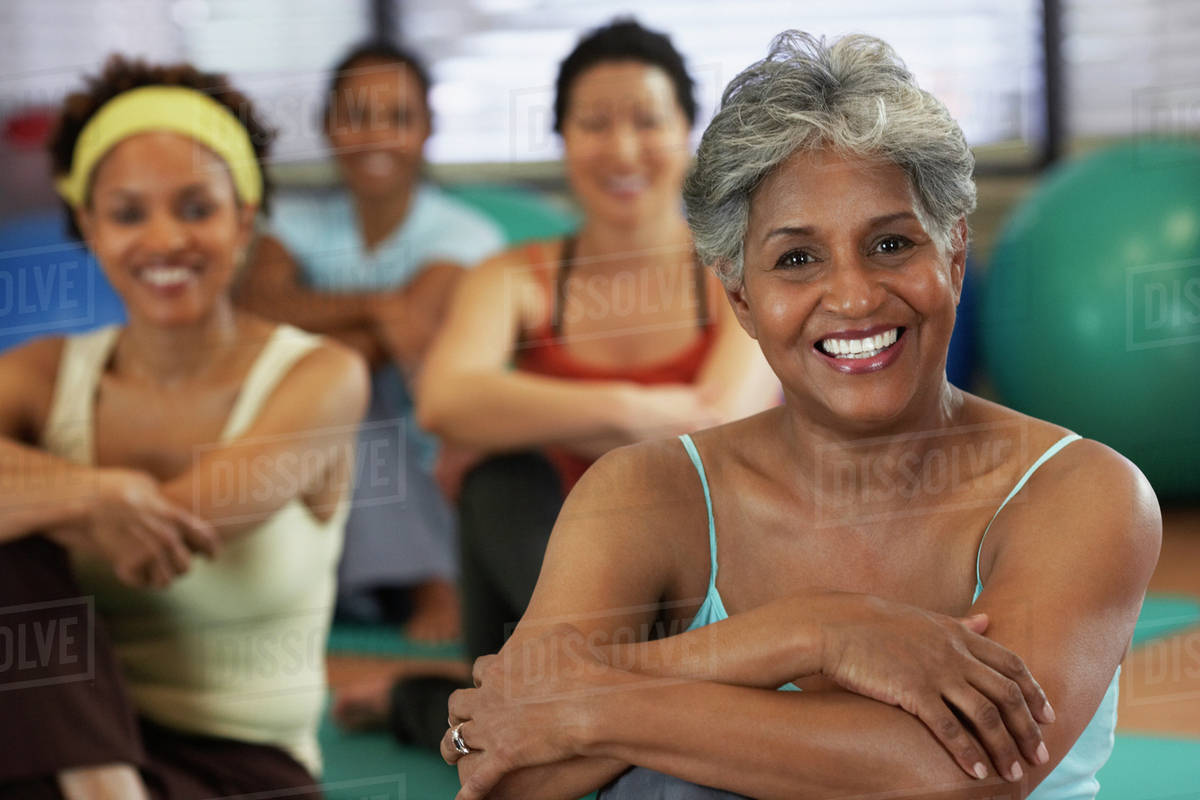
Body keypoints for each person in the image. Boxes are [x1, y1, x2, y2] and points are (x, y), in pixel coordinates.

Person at [439, 32, 1162, 800]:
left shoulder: (1086, 493)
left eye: (891, 243)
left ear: (953, 256)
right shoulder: (645, 493)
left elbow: (964, 774)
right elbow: (509, 774)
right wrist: (808, 634)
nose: (852, 297)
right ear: (742, 296)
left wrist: (593, 702)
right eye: (796, 259)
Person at [330, 18, 780, 748]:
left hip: (699, 588)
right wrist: (634, 406)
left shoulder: (741, 270)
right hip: (535, 585)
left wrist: (532, 411)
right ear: (563, 139)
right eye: (594, 123)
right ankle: (605, 697)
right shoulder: (514, 277)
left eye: (647, 121)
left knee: (545, 715)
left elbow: (719, 421)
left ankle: (454, 706)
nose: (623, 148)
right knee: (499, 479)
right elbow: (447, 401)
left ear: (688, 131)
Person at [0, 56, 368, 800]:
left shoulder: (321, 376)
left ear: (245, 217)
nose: (164, 240)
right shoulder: (42, 375)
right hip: (58, 757)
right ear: (88, 225)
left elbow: (171, 535)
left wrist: (60, 494)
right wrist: (94, 492)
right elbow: (112, 512)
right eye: (129, 212)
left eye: (196, 207)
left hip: (243, 771)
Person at [234, 41, 505, 642]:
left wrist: (321, 326)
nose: (376, 135)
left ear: (427, 130)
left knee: (343, 384)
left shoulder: (465, 234)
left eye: (399, 118)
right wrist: (378, 305)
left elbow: (366, 351)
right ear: (329, 126)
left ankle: (432, 581)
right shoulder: (294, 225)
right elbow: (251, 311)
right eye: (357, 115)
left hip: (426, 460)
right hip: (299, 453)